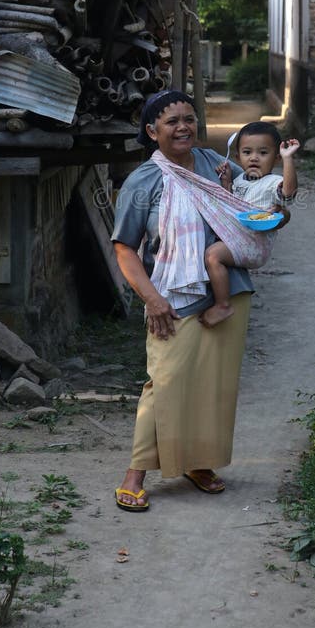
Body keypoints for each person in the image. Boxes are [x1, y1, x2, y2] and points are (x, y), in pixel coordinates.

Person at [112, 89, 271, 512]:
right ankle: (136, 472)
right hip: (174, 296)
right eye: (171, 121)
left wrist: (281, 197)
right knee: (163, 382)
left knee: (214, 385)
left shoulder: (215, 164)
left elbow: (253, 199)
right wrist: (152, 299)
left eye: (188, 118)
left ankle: (198, 463)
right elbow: (125, 248)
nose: (183, 127)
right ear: (152, 131)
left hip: (228, 289)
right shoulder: (143, 181)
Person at [200, 122, 299, 328]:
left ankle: (223, 305)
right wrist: (227, 183)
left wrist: (289, 159)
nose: (254, 158)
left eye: (263, 152)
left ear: (276, 157)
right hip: (240, 238)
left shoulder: (273, 182)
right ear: (238, 157)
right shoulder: (240, 181)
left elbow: (288, 193)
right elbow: (229, 207)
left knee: (212, 256)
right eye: (247, 152)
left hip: (255, 245)